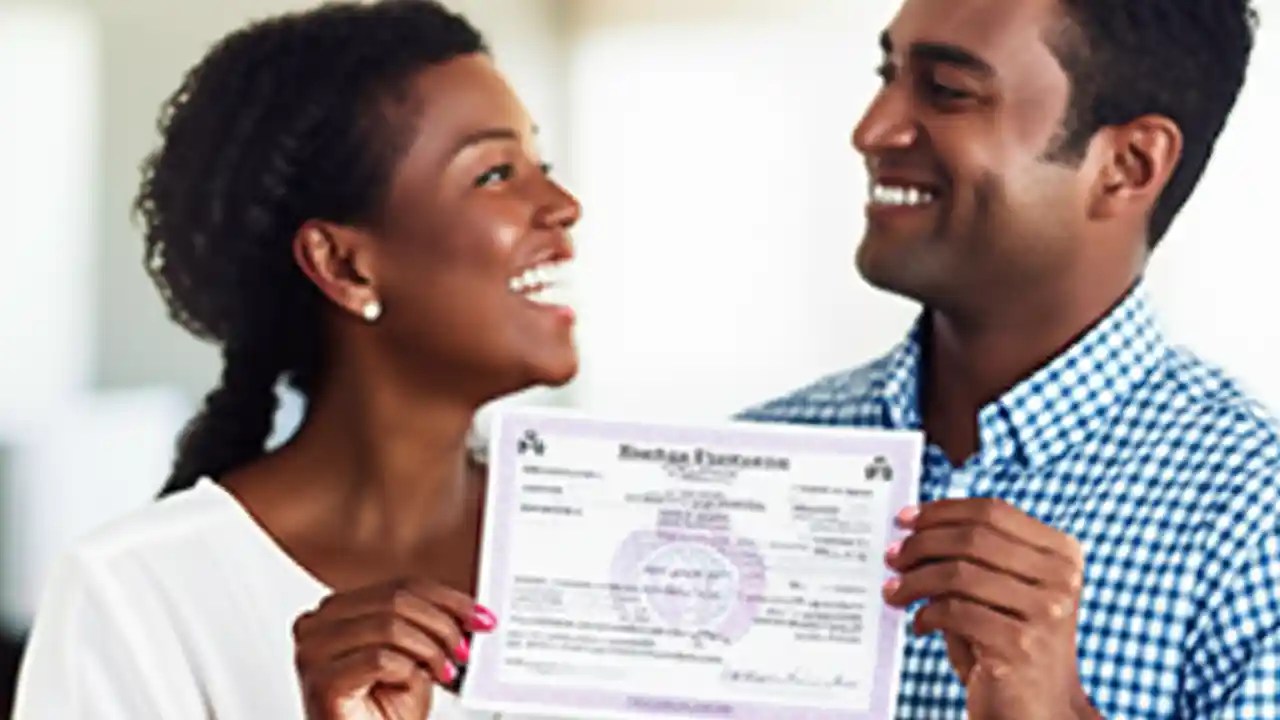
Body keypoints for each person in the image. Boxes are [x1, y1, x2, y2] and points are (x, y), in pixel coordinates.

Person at [13, 2, 582, 718]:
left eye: (543, 166)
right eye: (496, 174)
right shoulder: (135, 595)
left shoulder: (615, 540)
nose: (564, 204)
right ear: (344, 264)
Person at [741, 0, 1277, 718]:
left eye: (948, 92)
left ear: (1127, 164)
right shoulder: (757, 458)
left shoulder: (1253, 519)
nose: (870, 131)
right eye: (887, 73)